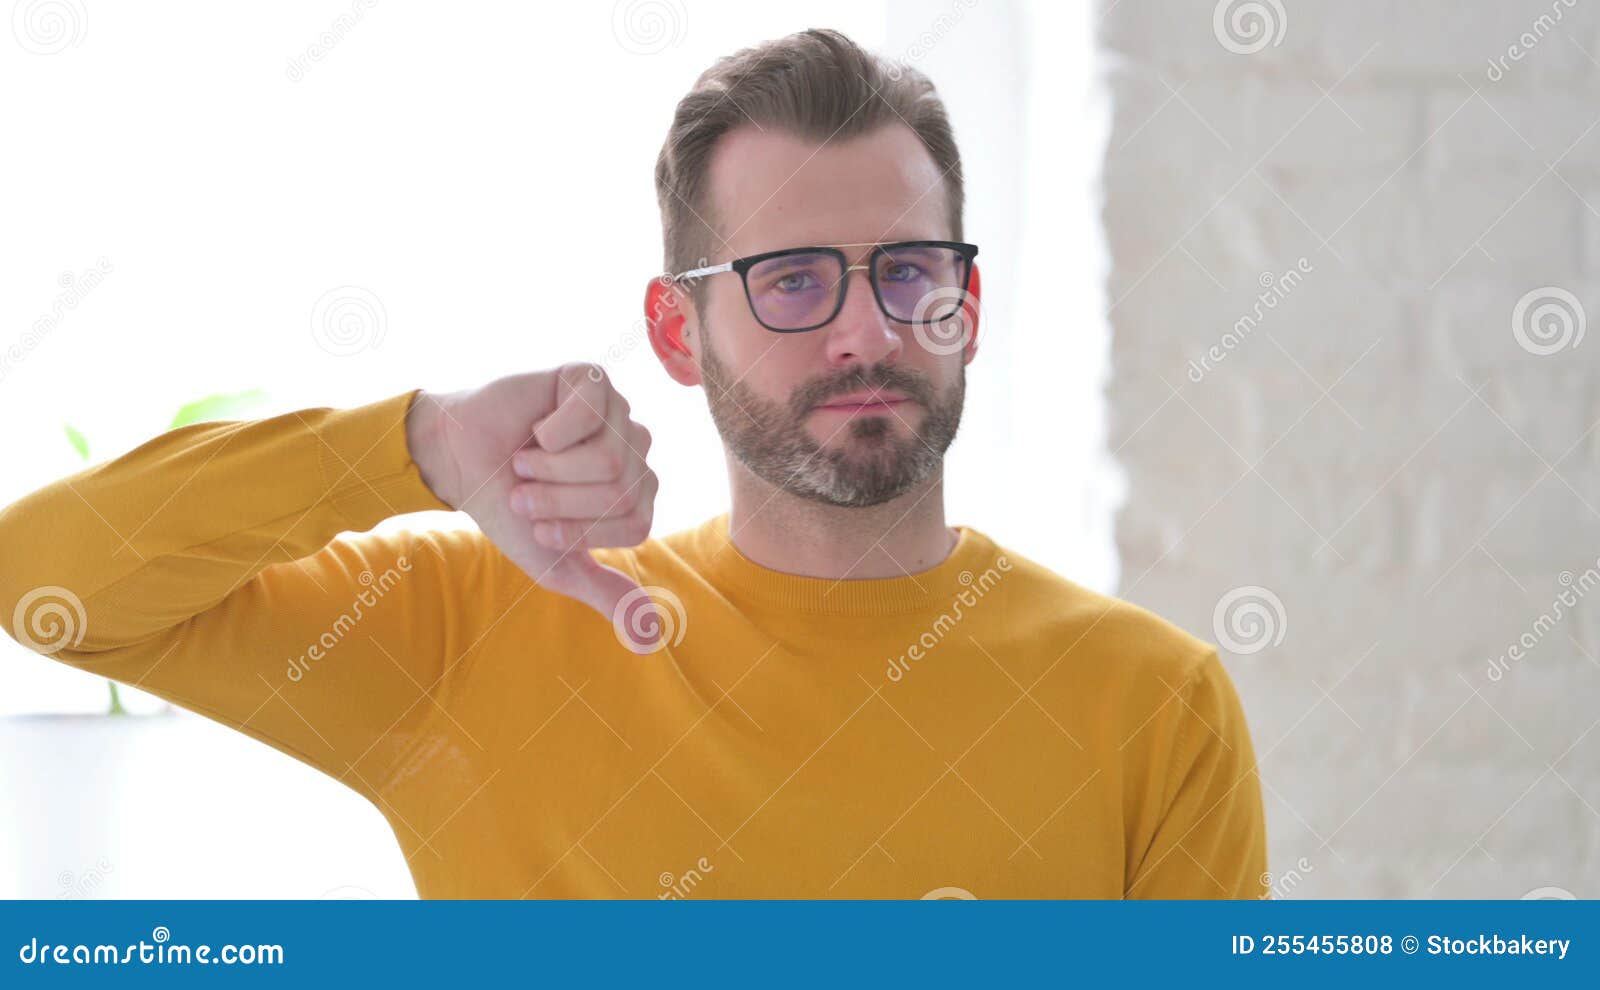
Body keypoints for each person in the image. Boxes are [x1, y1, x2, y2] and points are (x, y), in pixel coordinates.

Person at [0, 28, 1266, 899]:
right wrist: (420, 445)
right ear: (677, 331)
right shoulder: (477, 634)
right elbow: (45, 581)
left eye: (908, 270)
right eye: (790, 279)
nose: (865, 329)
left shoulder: (1150, 707)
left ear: (966, 308)